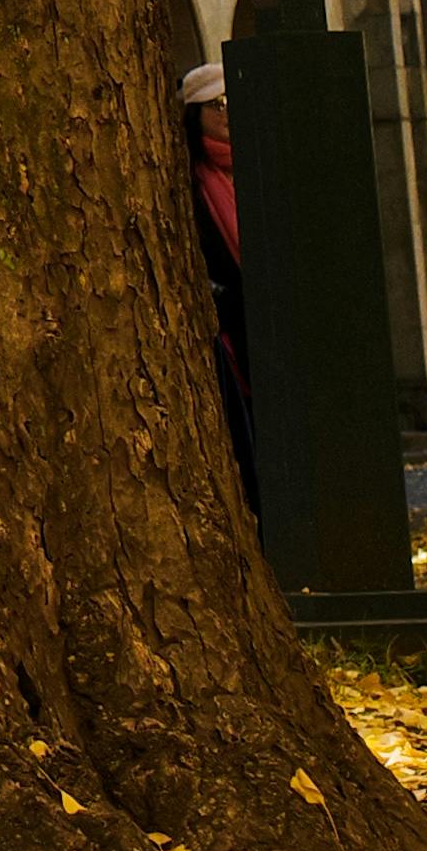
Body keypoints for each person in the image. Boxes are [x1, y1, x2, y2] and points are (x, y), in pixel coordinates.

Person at [181, 45, 257, 521]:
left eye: (232, 104)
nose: (227, 115)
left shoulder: (256, 171)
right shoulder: (189, 179)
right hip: (228, 332)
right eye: (216, 105)